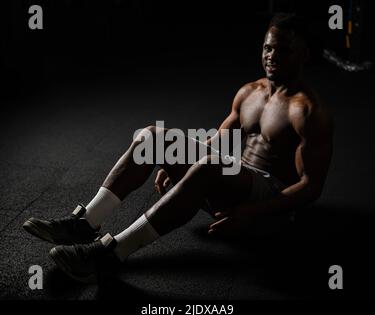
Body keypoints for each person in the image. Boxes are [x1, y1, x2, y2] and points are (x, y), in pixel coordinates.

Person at [23, 13, 333, 283]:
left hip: (270, 207)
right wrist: (171, 159)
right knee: (151, 137)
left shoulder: (307, 110)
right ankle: (85, 222)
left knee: (210, 164)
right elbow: (219, 141)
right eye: (268, 47)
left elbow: (311, 187)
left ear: (304, 54)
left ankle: (110, 255)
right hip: (233, 183)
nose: (272, 56)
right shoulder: (250, 92)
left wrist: (251, 212)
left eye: (284, 50)